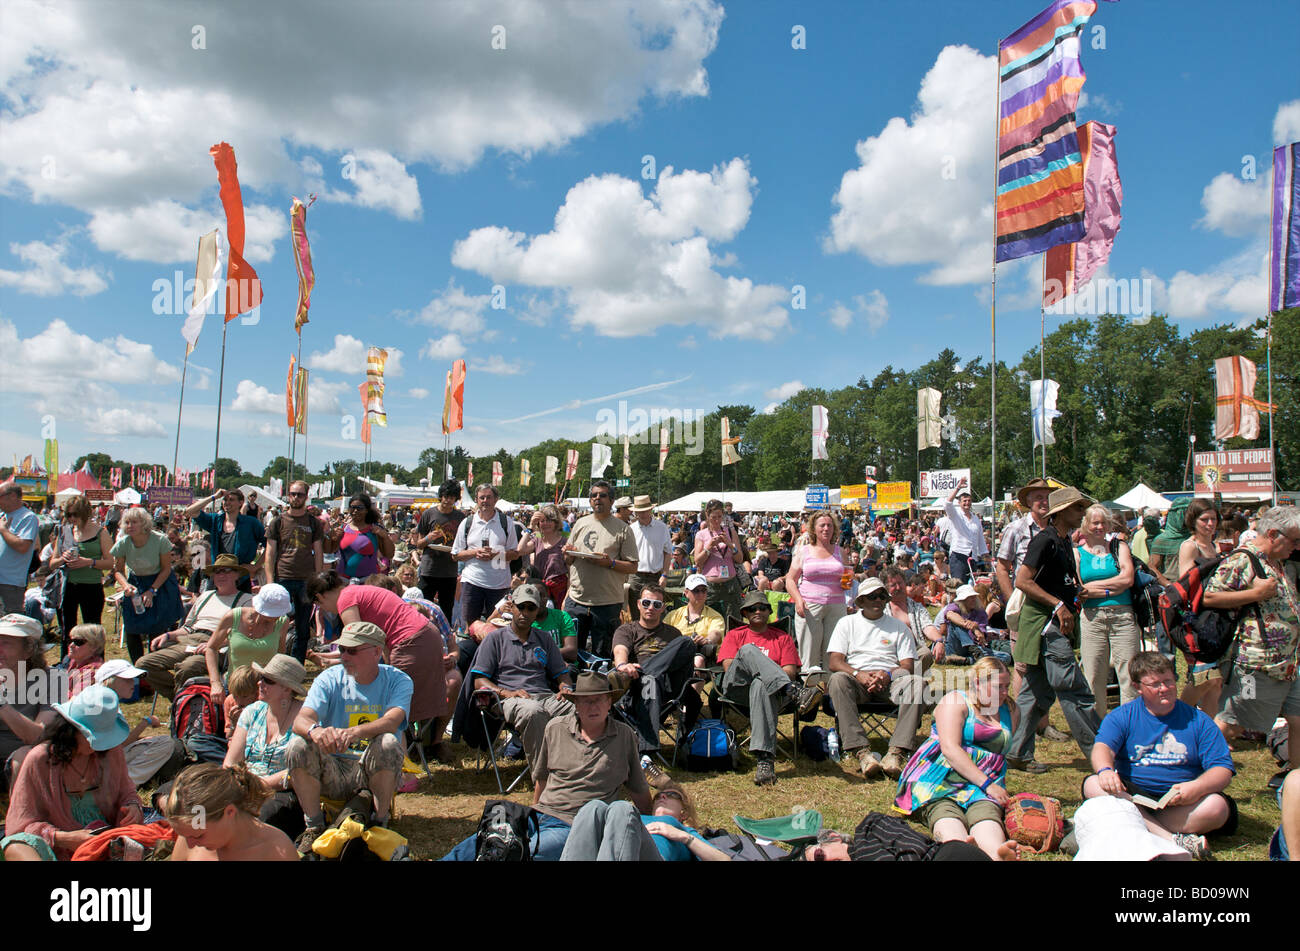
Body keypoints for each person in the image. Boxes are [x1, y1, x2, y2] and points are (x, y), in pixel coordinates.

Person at [441, 670, 651, 861]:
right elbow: (542, 778)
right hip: (539, 815)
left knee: (521, 852)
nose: (593, 707)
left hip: (574, 825)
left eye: (599, 700)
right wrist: (530, 816)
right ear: (576, 705)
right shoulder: (556, 728)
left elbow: (638, 789)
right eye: (586, 701)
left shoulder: (624, 736)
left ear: (609, 703)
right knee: (485, 838)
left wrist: (649, 827)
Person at [1084, 652, 1236, 859]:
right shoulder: (1123, 715)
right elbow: (1103, 748)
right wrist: (1105, 770)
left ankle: (1133, 823)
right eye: (1155, 684)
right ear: (1138, 687)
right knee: (1093, 784)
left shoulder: (1199, 720)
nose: (1164, 689)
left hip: (1181, 801)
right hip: (1132, 795)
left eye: (1168, 681)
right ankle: (1172, 839)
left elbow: (1222, 769)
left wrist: (1197, 787)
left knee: (1216, 807)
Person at [287, 621, 412, 852]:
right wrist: (318, 731)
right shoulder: (328, 678)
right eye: (342, 649)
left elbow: (392, 721)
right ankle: (314, 826)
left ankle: (379, 822)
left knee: (388, 742)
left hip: (370, 769)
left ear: (377, 652)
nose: (344, 656)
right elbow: (301, 720)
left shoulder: (398, 680)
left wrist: (352, 733)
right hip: (332, 767)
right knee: (297, 745)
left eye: (352, 650)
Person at [1008, 486, 1101, 773]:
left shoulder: (1062, 543)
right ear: (1060, 513)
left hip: (1049, 622)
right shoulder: (1044, 541)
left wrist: (1074, 593)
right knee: (1073, 689)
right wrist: (1059, 604)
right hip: (1045, 624)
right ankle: (1103, 755)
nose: (1081, 513)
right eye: (1077, 509)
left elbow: (1053, 581)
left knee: (1036, 694)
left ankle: (1017, 753)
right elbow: (1022, 580)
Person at [894, 657, 1020, 861]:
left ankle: (996, 854)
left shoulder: (1011, 711)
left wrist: (989, 785)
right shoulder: (956, 702)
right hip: (940, 778)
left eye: (1007, 686)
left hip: (983, 785)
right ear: (978, 682)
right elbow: (950, 749)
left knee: (987, 815)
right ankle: (961, 849)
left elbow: (1000, 753)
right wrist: (987, 784)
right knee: (945, 813)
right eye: (998, 687)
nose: (1005, 693)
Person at [308, 569, 450, 750]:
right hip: (423, 636)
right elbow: (371, 644)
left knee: (391, 704)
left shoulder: (346, 599)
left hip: (411, 641)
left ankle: (398, 756)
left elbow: (357, 645)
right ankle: (415, 749)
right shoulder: (355, 591)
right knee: (398, 697)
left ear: (320, 597)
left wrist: (332, 663)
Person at [1, 685, 143, 861]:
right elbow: (21, 824)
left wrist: (132, 807)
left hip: (106, 843)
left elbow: (127, 792)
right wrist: (63, 838)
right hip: (55, 847)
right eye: (90, 738)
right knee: (16, 846)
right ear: (70, 730)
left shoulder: (111, 751)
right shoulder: (40, 759)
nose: (96, 746)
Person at [1206, 506, 1300, 772]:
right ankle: (1190, 768)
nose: (1297, 546)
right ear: (1272, 534)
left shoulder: (1277, 561)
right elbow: (1210, 597)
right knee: (1232, 722)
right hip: (1256, 663)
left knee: (1298, 719)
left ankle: (1294, 781)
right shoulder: (1242, 560)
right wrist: (1255, 594)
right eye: (1294, 540)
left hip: (1288, 663)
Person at [826, 578, 928, 780]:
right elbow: (835, 661)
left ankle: (896, 753)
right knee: (837, 680)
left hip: (891, 681)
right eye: (872, 596)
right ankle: (862, 753)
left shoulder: (899, 627)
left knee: (918, 683)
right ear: (860, 601)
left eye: (882, 596)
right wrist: (858, 674)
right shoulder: (846, 623)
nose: (878, 600)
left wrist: (887, 674)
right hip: (857, 681)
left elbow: (907, 664)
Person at [715, 590, 820, 786]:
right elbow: (729, 667)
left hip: (770, 693)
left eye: (762, 608)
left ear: (769, 612)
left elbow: (789, 671)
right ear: (745, 613)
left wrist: (764, 677)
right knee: (748, 651)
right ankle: (795, 692)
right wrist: (763, 669)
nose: (758, 611)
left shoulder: (782, 638)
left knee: (760, 685)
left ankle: (765, 761)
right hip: (738, 689)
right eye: (752, 608)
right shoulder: (735, 635)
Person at [467, 583, 574, 769]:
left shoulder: (544, 639)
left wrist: (565, 688)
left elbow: (562, 673)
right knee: (533, 711)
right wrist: (507, 693)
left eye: (531, 608)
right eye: (521, 607)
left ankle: (576, 769)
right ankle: (544, 775)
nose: (525, 612)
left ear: (537, 611)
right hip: (506, 699)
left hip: (543, 696)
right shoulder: (495, 638)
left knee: (577, 709)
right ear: (512, 606)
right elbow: (479, 681)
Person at [137, 554, 254, 700]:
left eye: (227, 571)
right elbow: (187, 627)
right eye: (217, 571)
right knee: (144, 664)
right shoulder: (206, 596)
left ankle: (181, 705)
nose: (221, 575)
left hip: (218, 646)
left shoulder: (246, 600)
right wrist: (169, 635)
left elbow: (243, 635)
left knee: (187, 668)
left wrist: (215, 644)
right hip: (189, 640)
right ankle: (181, 700)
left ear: (237, 575)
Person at [223, 654, 308, 839]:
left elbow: (300, 771)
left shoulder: (305, 718)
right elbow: (230, 762)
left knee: (255, 821)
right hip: (245, 786)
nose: (260, 684)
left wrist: (259, 785)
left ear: (286, 689)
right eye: (261, 678)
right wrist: (243, 784)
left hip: (283, 793)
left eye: (268, 680)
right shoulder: (252, 712)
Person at [611, 583, 700, 753]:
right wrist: (622, 665)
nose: (650, 608)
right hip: (637, 685)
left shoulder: (673, 633)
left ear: (662, 609)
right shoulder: (627, 630)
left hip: (669, 685)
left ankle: (647, 671)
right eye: (646, 603)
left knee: (687, 643)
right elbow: (620, 650)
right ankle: (647, 752)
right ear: (638, 604)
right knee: (649, 681)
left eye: (656, 604)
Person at [1074, 503, 1141, 716]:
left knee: (1129, 674)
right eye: (1095, 523)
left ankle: (1129, 724)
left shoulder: (1119, 547)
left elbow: (1128, 578)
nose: (1099, 527)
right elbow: (1079, 590)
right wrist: (1114, 587)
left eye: (1103, 523)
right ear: (1086, 525)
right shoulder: (1077, 554)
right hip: (1092, 618)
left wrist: (1096, 589)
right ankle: (1098, 727)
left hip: (1123, 616)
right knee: (1094, 675)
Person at [559, 783, 731, 861]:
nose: (662, 796)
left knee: (622, 808)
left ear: (683, 813)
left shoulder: (682, 830)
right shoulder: (635, 818)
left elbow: (723, 860)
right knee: (593, 807)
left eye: (672, 795)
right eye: (658, 795)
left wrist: (682, 836)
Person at [163, 763, 299, 861]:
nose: (190, 844)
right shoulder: (190, 834)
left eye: (199, 836)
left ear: (229, 812)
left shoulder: (276, 850)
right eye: (184, 835)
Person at [564, 479, 637, 658]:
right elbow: (568, 560)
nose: (598, 498)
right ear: (590, 501)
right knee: (572, 654)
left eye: (603, 495)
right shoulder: (580, 524)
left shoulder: (623, 530)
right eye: (594, 495)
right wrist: (569, 554)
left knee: (602, 655)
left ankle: (598, 684)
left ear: (611, 501)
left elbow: (633, 566)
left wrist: (610, 563)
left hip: (607, 604)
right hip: (577, 600)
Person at [111, 505, 184, 662]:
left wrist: (152, 590)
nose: (130, 526)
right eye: (127, 522)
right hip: (136, 583)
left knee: (156, 628)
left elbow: (166, 569)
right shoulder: (123, 543)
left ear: (144, 523)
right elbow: (117, 570)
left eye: (134, 522)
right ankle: (137, 668)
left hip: (159, 582)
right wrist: (125, 585)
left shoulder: (160, 540)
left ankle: (152, 665)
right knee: (132, 627)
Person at [202, 583, 293, 708]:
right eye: (274, 613)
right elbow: (211, 648)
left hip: (264, 690)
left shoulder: (282, 622)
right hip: (236, 689)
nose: (277, 616)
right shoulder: (233, 617)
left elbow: (279, 656)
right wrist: (215, 683)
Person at [264, 481, 325, 664]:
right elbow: (270, 553)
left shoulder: (314, 523)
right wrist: (269, 582)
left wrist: (318, 579)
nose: (295, 498)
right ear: (287, 495)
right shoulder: (278, 521)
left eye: (299, 494)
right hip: (283, 577)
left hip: (306, 580)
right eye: (292, 494)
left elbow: (318, 553)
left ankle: (296, 664)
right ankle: (272, 659)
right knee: (274, 622)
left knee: (303, 626)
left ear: (306, 497)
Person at [1177, 499, 1225, 715]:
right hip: (1198, 617)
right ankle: (1178, 717)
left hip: (1216, 615)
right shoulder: (1190, 546)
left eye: (1213, 519)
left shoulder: (1214, 546)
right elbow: (1185, 583)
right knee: (1202, 676)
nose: (1210, 524)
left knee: (1215, 681)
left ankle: (1207, 729)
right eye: (1204, 519)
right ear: (1193, 521)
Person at [786, 509, 849, 674]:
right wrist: (799, 600)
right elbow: (790, 580)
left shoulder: (840, 552)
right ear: (813, 529)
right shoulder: (803, 552)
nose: (826, 529)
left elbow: (848, 577)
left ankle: (831, 691)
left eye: (829, 525)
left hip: (836, 607)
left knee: (833, 652)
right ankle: (810, 690)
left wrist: (848, 582)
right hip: (810, 606)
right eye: (822, 525)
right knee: (809, 652)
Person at [0, 613, 58, 789]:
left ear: (29, 650)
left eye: (6, 643)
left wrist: (2, 704)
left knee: (26, 755)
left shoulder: (52, 680)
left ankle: (21, 813)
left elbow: (37, 736)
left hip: (21, 762)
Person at [50, 494, 111, 652]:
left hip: (91, 587)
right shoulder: (65, 532)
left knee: (92, 632)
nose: (71, 518)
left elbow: (111, 563)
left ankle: (95, 666)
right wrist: (63, 559)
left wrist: (89, 562)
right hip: (68, 587)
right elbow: (52, 563)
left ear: (85, 513)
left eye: (74, 514)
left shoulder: (101, 533)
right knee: (67, 630)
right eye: (68, 514)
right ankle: (67, 664)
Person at [453, 484, 520, 625]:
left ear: (495, 500)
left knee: (497, 625)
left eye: (488, 497)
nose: (485, 501)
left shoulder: (506, 522)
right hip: (472, 581)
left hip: (499, 584)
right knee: (469, 625)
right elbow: (456, 555)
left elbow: (514, 554)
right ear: (476, 500)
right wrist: (475, 552)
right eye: (481, 497)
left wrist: (495, 555)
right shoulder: (467, 522)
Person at [183, 487, 265, 594]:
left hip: (240, 577)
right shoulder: (215, 520)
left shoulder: (251, 523)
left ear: (240, 502)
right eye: (225, 500)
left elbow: (270, 545)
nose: (227, 502)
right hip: (218, 576)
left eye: (231, 500)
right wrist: (214, 497)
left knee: (239, 609)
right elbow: (189, 511)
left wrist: (255, 566)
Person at [411, 479, 464, 619]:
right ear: (441, 496)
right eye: (446, 497)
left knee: (447, 609)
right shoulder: (429, 514)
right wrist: (429, 538)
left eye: (452, 498)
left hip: (450, 571)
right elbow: (419, 544)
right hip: (429, 569)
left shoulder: (460, 517)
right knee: (424, 608)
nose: (448, 501)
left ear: (456, 499)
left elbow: (464, 544)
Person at [692, 499, 746, 622]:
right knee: (709, 622)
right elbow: (698, 561)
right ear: (707, 515)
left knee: (734, 621)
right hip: (710, 587)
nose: (717, 520)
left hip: (731, 585)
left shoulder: (731, 533)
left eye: (719, 516)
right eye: (713, 517)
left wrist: (730, 545)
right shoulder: (701, 534)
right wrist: (709, 546)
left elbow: (739, 559)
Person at [939, 584, 1012, 665]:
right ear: (962, 600)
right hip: (956, 646)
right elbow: (950, 615)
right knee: (956, 623)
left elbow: (981, 635)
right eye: (970, 598)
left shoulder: (980, 612)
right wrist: (971, 627)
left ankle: (966, 660)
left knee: (1006, 657)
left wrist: (978, 630)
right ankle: (972, 649)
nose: (973, 599)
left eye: (974, 597)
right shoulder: (954, 607)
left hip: (976, 647)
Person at [627, 496, 673, 621]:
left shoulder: (662, 527)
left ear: (651, 510)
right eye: (639, 511)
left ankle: (656, 639)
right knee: (636, 614)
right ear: (635, 512)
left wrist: (665, 575)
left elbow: (668, 552)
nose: (642, 514)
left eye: (645, 510)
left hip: (655, 577)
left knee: (656, 613)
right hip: (635, 577)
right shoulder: (631, 529)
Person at [330, 492, 394, 581]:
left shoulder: (375, 530)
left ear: (367, 510)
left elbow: (389, 554)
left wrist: (385, 537)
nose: (355, 511)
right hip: (344, 580)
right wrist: (332, 538)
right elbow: (331, 550)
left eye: (360, 508)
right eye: (352, 507)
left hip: (368, 581)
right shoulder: (343, 529)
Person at [666, 573, 726, 666]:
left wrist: (707, 640)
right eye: (696, 591)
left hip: (703, 655)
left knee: (697, 660)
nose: (701, 594)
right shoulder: (673, 615)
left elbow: (716, 633)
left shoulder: (715, 616)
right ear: (686, 593)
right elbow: (663, 634)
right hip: (677, 652)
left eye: (704, 590)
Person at [518, 503, 569, 609]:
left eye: (549, 520)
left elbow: (571, 574)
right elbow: (520, 550)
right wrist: (530, 526)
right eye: (542, 521)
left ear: (556, 522)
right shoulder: (537, 539)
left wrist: (566, 598)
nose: (545, 523)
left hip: (558, 591)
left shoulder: (564, 541)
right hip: (538, 589)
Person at [0, 481, 39, 616]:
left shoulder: (28, 517)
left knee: (10, 625)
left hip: (10, 583)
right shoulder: (3, 516)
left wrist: (3, 530)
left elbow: (23, 546)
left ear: (12, 496)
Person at [943, 480, 989, 584]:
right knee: (958, 584)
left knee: (971, 585)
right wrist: (958, 487)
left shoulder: (975, 518)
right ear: (959, 503)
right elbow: (947, 504)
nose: (967, 503)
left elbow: (980, 537)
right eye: (964, 501)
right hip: (959, 555)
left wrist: (985, 553)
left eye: (969, 501)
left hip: (972, 556)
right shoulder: (955, 515)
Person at [62, 622, 106, 698]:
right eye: (70, 641)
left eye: (78, 642)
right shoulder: (75, 661)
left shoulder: (93, 671)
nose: (71, 645)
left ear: (94, 646)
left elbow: (75, 700)